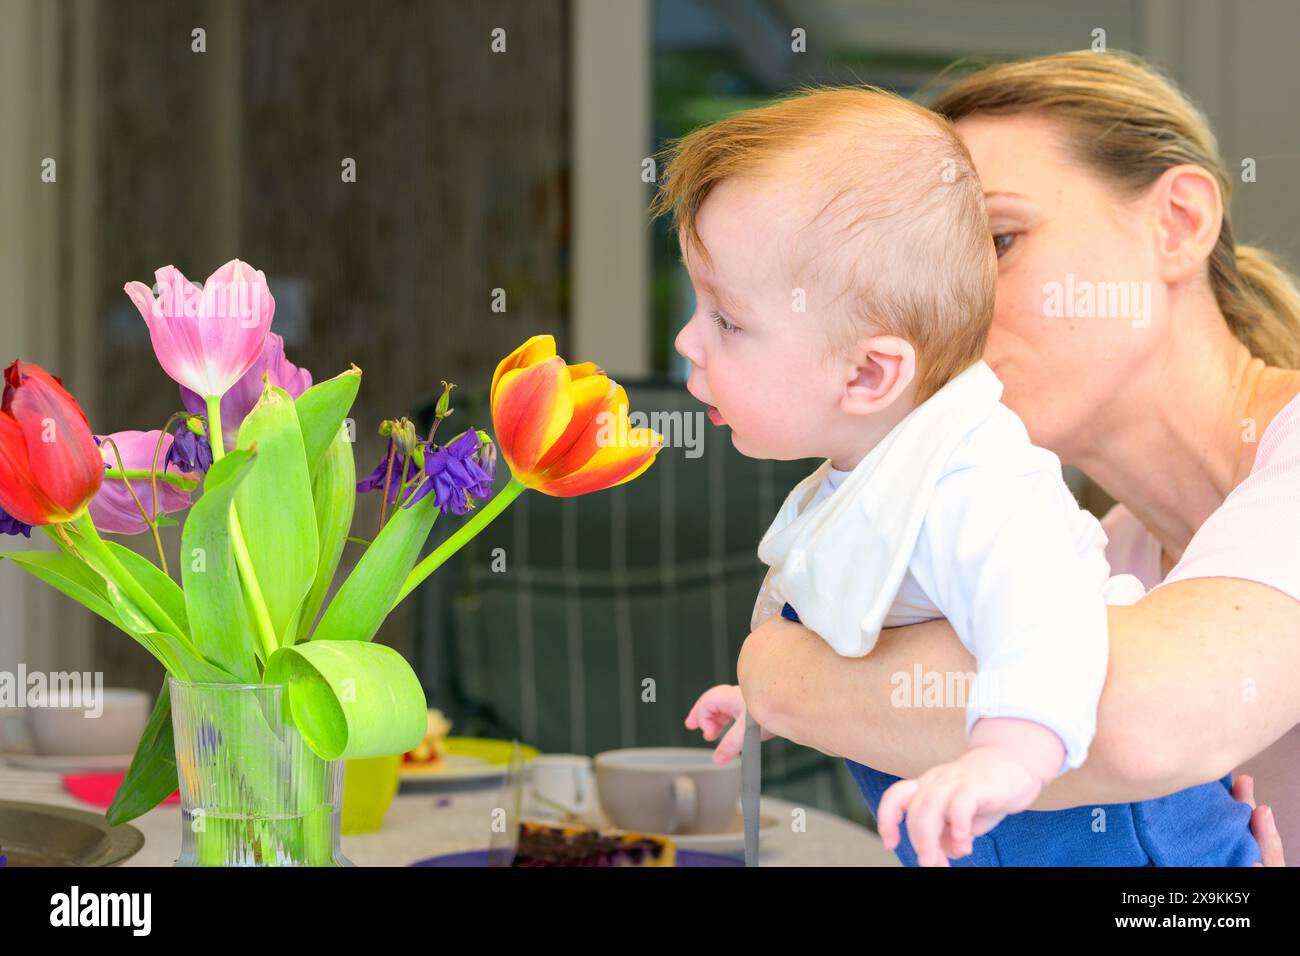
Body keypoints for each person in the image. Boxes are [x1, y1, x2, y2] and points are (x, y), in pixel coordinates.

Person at [654, 83, 1258, 865]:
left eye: (728, 320)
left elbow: (1048, 624)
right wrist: (768, 704)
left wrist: (1004, 759)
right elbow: (862, 620)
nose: (687, 341)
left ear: (870, 375)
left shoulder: (972, 483)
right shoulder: (869, 474)